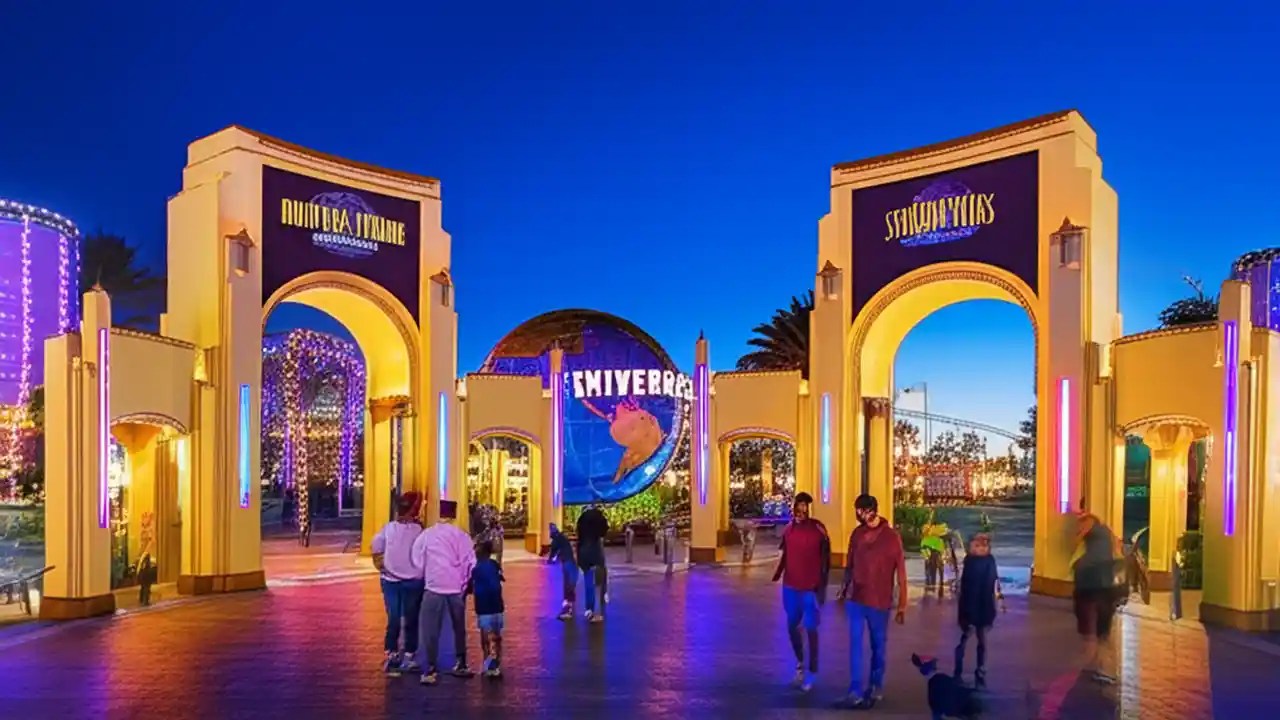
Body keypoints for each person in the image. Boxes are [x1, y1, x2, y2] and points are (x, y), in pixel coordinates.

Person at [835, 494, 908, 710]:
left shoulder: (891, 537)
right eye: (857, 511)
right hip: (856, 599)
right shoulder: (857, 535)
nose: (859, 515)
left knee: (878, 646)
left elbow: (901, 573)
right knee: (855, 645)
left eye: (863, 511)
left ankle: (876, 685)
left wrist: (902, 604)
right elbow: (849, 565)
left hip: (880, 602)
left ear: (872, 510)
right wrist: (843, 589)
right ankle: (854, 690)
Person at [411, 499, 477, 685]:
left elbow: (417, 558)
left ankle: (431, 667)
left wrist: (425, 572)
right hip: (456, 587)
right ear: (454, 515)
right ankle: (461, 662)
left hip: (433, 586)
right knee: (459, 627)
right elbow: (470, 560)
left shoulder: (428, 535)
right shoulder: (461, 535)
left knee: (431, 629)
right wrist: (464, 581)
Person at [771, 491, 830, 693]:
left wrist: (822, 587)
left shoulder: (818, 530)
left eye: (805, 508)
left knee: (812, 629)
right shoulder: (788, 530)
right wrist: (777, 574)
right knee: (791, 627)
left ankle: (811, 670)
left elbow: (826, 560)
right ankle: (800, 662)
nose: (801, 512)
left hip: (811, 589)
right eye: (798, 507)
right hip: (791, 587)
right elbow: (784, 553)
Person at [371, 491, 425, 676]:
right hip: (411, 582)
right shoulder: (419, 530)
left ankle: (393, 655)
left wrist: (381, 565)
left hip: (392, 581)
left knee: (394, 619)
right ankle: (407, 656)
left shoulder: (389, 528)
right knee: (409, 619)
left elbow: (376, 545)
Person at [1073, 512, 1122, 685]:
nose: (1078, 526)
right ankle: (1101, 667)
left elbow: (1076, 540)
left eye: (1081, 523)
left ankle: (1096, 666)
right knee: (1101, 631)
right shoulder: (1107, 532)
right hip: (1106, 586)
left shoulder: (1091, 529)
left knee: (1091, 632)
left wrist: (1078, 536)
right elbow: (1118, 549)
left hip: (1090, 586)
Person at [954, 532, 1003, 687]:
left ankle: (964, 670)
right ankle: (975, 669)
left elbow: (969, 584)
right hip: (978, 604)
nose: (982, 547)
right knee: (975, 638)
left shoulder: (974, 561)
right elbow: (993, 582)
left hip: (977, 604)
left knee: (970, 638)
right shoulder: (983, 561)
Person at [471, 541, 506, 678]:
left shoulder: (476, 568)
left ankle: (488, 662)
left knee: (485, 636)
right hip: (497, 605)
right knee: (496, 636)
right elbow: (500, 578)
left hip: (483, 606)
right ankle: (496, 663)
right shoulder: (493, 565)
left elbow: (469, 583)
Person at [576, 500, 609, 622]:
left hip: (584, 550)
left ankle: (589, 609)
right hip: (595, 549)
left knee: (588, 579)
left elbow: (578, 533)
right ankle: (599, 610)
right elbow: (604, 531)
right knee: (600, 580)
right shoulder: (599, 516)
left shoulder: (582, 517)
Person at [548, 522, 579, 620]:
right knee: (570, 584)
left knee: (568, 585)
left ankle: (568, 608)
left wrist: (551, 559)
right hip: (571, 563)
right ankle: (569, 604)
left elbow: (553, 551)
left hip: (568, 563)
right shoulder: (561, 537)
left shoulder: (557, 539)